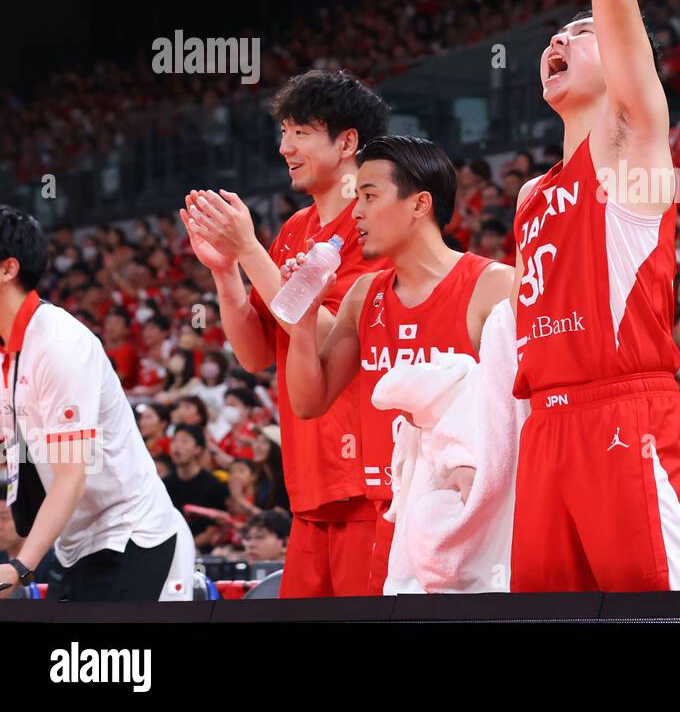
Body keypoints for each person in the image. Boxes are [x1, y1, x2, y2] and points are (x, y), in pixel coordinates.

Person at [509, 0, 680, 592]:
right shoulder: (529, 194)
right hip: (545, 429)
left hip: (628, 418)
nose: (558, 39)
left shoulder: (631, 141)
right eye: (551, 38)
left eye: (577, 34)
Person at [180, 68, 391, 597]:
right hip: (307, 483)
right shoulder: (296, 229)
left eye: (300, 132)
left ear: (347, 142)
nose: (284, 147)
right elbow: (255, 354)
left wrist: (250, 250)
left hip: (366, 483)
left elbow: (328, 336)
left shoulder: (377, 222)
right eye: (283, 132)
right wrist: (227, 272)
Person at [284, 135, 512, 594]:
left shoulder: (493, 287)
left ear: (419, 204)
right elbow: (308, 402)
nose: (357, 213)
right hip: (386, 513)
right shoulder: (363, 298)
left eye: (369, 196)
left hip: (463, 516)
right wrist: (304, 323)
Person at [0, 207, 193, 601]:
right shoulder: (8, 355)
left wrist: (20, 566)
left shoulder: (58, 345)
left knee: (116, 665)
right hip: (74, 546)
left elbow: (72, 475)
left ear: (7, 270)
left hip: (132, 538)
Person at [164, 424, 230, 552]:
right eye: (174, 441)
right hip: (170, 548)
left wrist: (186, 548)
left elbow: (215, 528)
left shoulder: (213, 485)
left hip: (203, 551)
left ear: (198, 449)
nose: (177, 446)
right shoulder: (164, 484)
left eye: (184, 441)